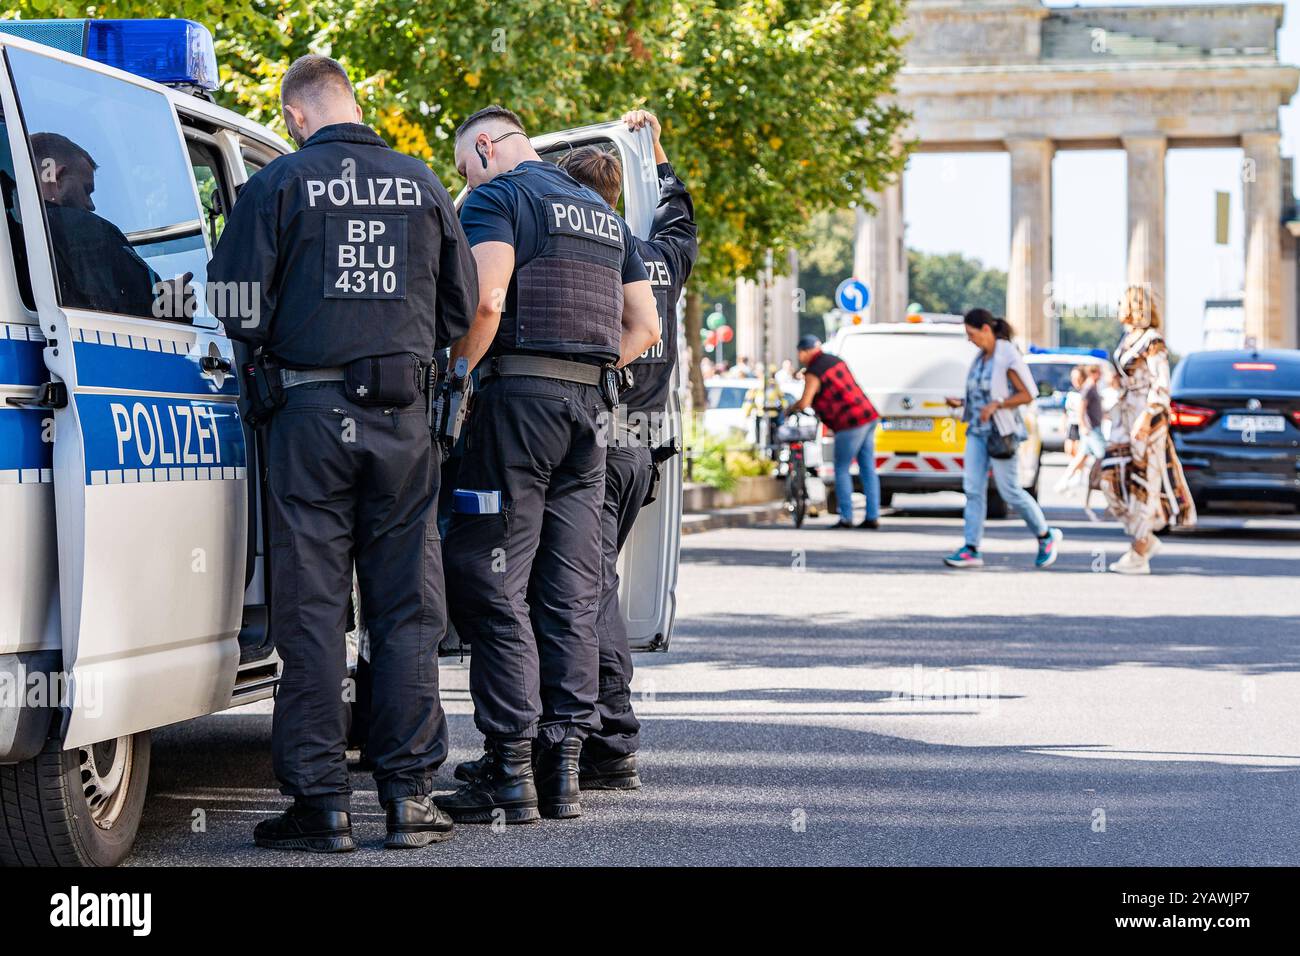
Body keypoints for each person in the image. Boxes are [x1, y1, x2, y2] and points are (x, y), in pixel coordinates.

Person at [208, 54, 478, 852]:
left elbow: (234, 305)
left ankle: (321, 806)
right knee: (405, 612)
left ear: (295, 114)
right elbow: (463, 307)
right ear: (355, 103)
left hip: (309, 421)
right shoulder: (424, 184)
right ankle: (408, 800)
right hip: (403, 421)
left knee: (313, 612)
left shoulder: (280, 184)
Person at [436, 105, 659, 824]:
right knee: (569, 586)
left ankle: (507, 769)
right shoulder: (600, 211)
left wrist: (457, 376)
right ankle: (560, 767)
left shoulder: (498, 197)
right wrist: (587, 373)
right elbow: (644, 327)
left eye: (464, 164)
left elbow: (489, 297)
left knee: (494, 580)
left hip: (516, 408)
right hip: (590, 410)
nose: (463, 179)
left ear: (486, 145)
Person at [550, 109, 698, 789]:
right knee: (596, 585)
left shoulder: (594, 258)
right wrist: (659, 155)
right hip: (642, 451)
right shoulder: (661, 261)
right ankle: (599, 729)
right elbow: (681, 218)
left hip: (599, 448)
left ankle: (610, 738)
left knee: (587, 593)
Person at [943, 309, 1063, 568]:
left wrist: (997, 405)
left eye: (971, 334)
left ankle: (1045, 535)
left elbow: (1027, 393)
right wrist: (961, 403)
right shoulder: (981, 358)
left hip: (1001, 433)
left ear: (986, 329)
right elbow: (982, 396)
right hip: (976, 431)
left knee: (1010, 491)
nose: (969, 340)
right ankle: (971, 548)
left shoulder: (1007, 354)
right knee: (973, 489)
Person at [1100, 286, 1196, 573]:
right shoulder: (1127, 338)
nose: (1118, 306)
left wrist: (1149, 417)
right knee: (1109, 478)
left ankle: (1139, 549)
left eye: (1122, 301)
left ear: (1134, 305)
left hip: (1146, 417)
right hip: (1124, 415)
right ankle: (1145, 535)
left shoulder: (1153, 340)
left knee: (1144, 481)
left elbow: (1161, 383)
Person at [789, 334, 881, 529]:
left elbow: (805, 401)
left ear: (804, 352)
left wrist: (790, 409)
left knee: (841, 468)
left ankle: (846, 516)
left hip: (850, 422)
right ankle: (872, 515)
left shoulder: (814, 371)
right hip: (868, 415)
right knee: (867, 468)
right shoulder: (835, 360)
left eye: (800, 354)